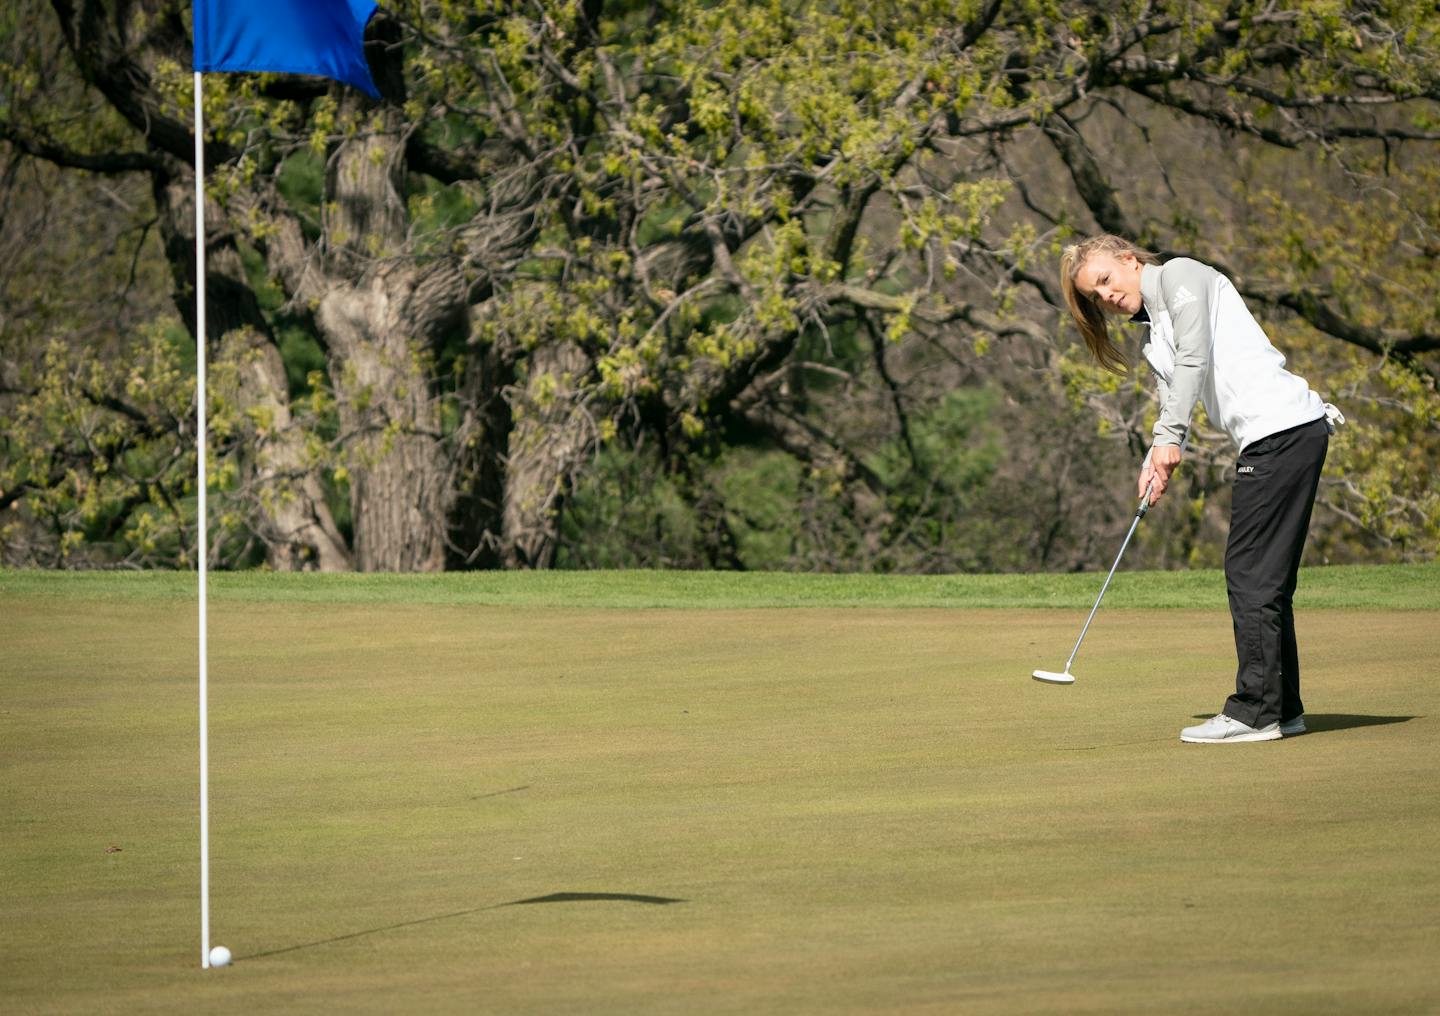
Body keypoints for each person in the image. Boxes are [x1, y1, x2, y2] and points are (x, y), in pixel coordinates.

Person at [1059, 234, 1342, 744]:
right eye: (1095, 296)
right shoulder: (1152, 336)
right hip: (1279, 436)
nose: (1106, 296)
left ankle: (1255, 711)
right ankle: (1283, 707)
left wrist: (1172, 437)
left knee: (1249, 573)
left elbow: (1195, 359)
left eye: (1105, 280)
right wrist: (1156, 458)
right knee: (1265, 578)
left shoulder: (1181, 276)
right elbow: (1174, 391)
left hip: (1281, 431)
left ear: (1129, 260)